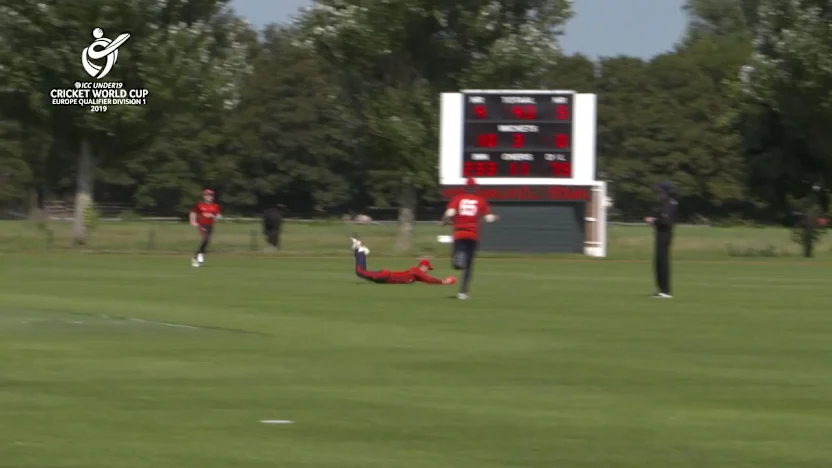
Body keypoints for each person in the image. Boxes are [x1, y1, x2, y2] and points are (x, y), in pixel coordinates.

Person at [442, 177, 498, 300]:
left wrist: (445, 220)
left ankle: (458, 260)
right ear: (476, 188)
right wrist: (495, 217)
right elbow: (489, 218)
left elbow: (449, 213)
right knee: (469, 265)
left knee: (457, 260)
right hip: (473, 234)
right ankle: (463, 292)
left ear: (465, 187)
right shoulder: (480, 201)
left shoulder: (458, 198)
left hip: (459, 233)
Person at [350, 237, 456, 285]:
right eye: (428, 268)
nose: (427, 271)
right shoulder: (416, 271)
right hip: (385, 276)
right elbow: (428, 279)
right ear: (423, 267)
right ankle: (361, 251)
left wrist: (443, 281)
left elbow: (427, 281)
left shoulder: (416, 276)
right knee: (360, 272)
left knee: (361, 272)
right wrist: (443, 282)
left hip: (384, 279)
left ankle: (357, 249)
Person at [644, 181, 678, 298]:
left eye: (660, 191)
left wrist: (653, 221)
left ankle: (665, 290)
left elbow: (666, 221)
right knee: (658, 262)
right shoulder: (665, 203)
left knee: (662, 262)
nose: (658, 194)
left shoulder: (669, 203)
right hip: (660, 234)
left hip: (664, 234)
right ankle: (662, 289)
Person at [189, 189, 221, 267]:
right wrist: (193, 221)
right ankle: (198, 256)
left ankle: (199, 255)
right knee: (205, 239)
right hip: (202, 225)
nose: (209, 197)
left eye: (211, 195)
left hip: (210, 225)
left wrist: (213, 216)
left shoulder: (215, 206)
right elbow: (193, 212)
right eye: (207, 195)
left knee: (207, 241)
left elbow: (219, 216)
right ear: (204, 196)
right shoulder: (199, 205)